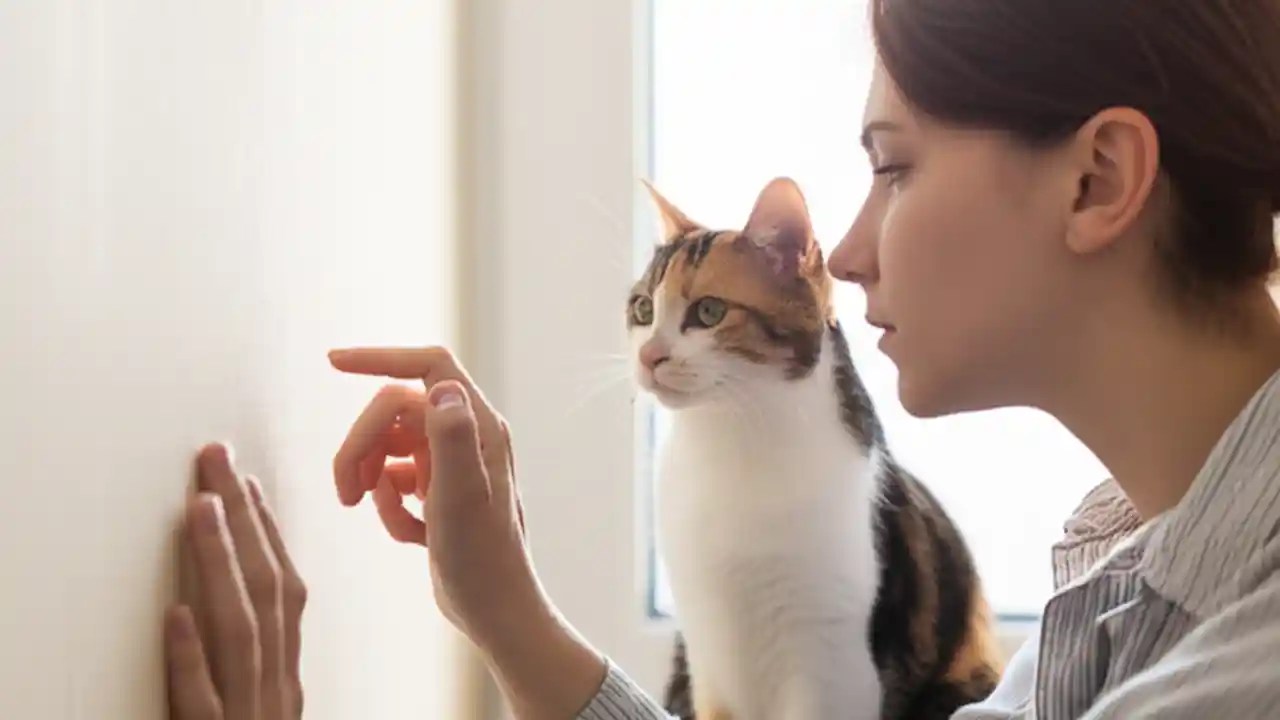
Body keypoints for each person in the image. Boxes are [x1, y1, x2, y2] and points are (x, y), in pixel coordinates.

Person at [165, 1, 1280, 718]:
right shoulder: (1122, 583)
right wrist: (500, 607)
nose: (842, 254)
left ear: (1094, 180)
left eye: (891, 170)